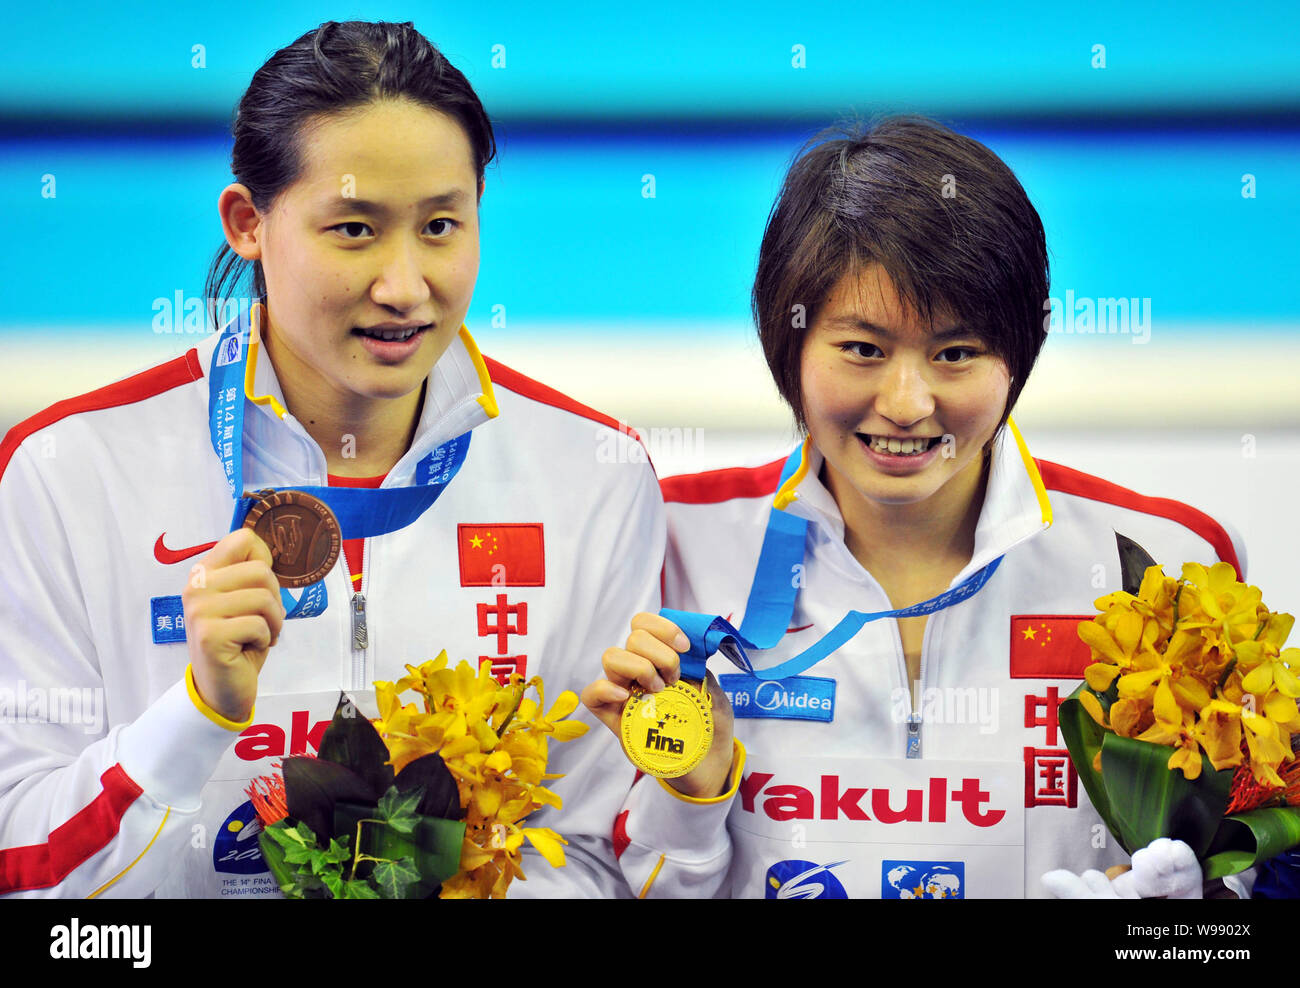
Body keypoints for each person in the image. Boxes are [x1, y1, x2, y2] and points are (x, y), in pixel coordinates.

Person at [0, 20, 661, 898]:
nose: (403, 285)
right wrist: (197, 715)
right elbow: (26, 866)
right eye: (354, 229)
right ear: (248, 223)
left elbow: (592, 855)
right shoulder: (67, 472)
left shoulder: (595, 474)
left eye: (439, 226)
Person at [582, 116, 1248, 899]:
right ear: (785, 345)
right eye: (862, 349)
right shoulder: (670, 543)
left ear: (1017, 357)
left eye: (955, 353)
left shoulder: (1166, 564)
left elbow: (1237, 881)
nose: (906, 403)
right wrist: (693, 791)